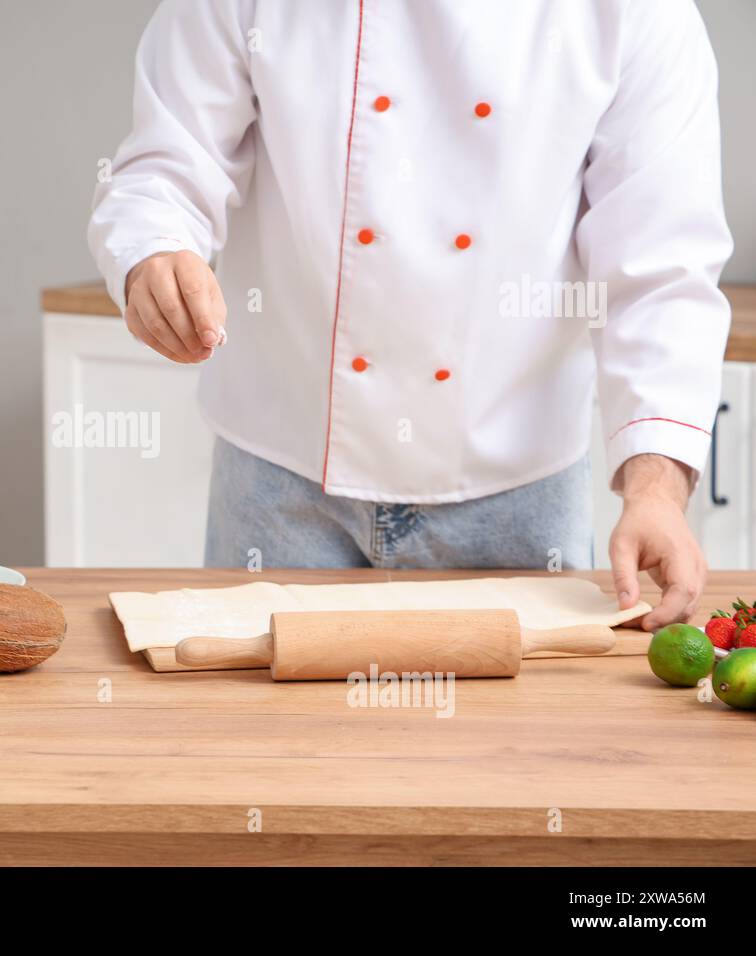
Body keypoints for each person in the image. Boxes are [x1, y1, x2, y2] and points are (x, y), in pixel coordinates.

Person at [87, 0, 732, 631]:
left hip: (520, 491)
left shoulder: (638, 11)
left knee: (525, 738)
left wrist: (656, 487)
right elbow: (168, 160)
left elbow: (660, 265)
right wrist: (153, 249)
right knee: (261, 735)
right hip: (280, 484)